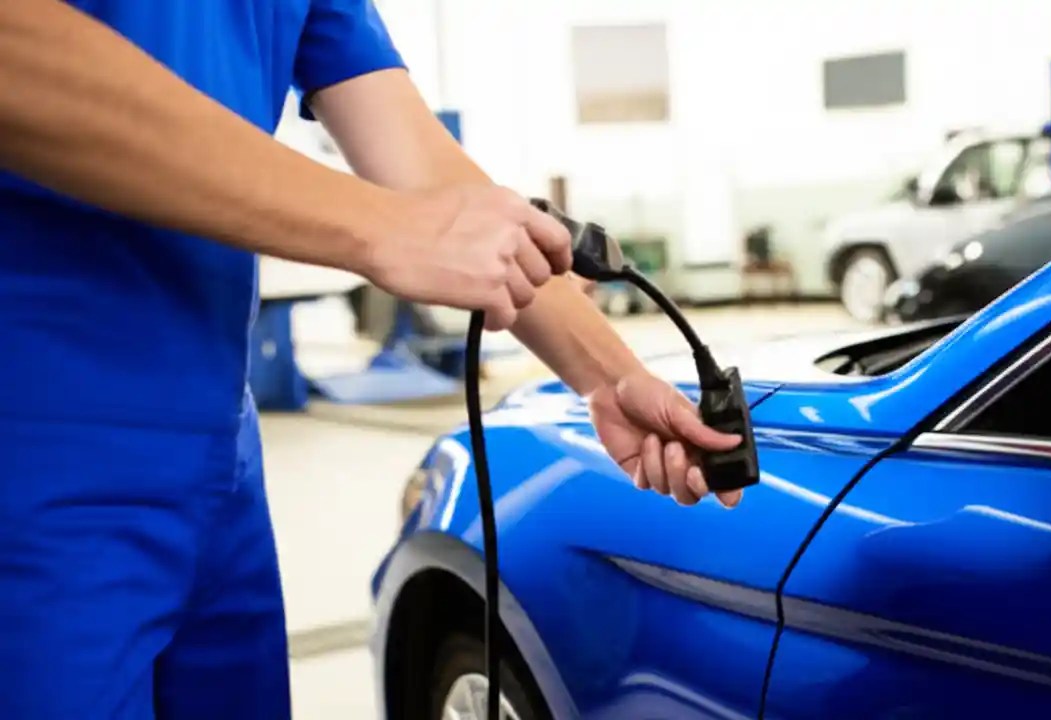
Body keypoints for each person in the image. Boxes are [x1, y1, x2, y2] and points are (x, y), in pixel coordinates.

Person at [0, 1, 742, 717]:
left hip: (218, 470)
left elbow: (410, 151)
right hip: (33, 451)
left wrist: (613, 378)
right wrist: (383, 229)